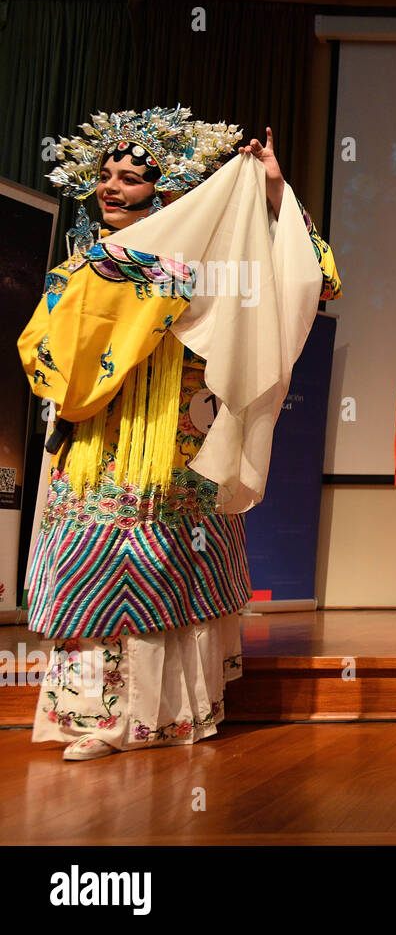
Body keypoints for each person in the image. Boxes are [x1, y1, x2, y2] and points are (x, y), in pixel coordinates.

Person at [18, 107, 340, 760]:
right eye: (105, 175)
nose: (111, 186)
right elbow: (44, 348)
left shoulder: (212, 268)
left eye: (131, 178)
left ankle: (169, 716)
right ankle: (98, 719)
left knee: (167, 564)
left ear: (167, 193)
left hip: (176, 445)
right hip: (100, 447)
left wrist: (275, 193)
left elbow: (317, 280)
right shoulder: (90, 262)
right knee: (95, 567)